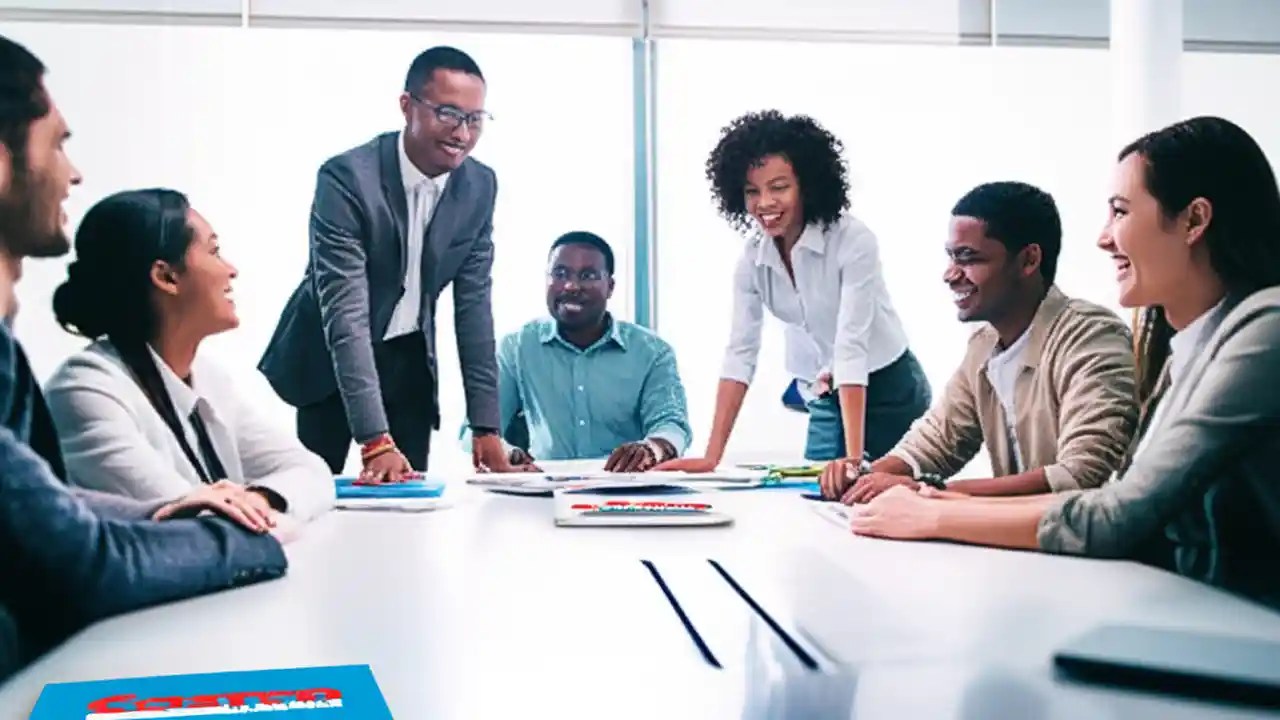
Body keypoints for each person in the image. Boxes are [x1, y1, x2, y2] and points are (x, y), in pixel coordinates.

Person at [850, 116, 1280, 609]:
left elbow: (1115, 510)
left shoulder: (1264, 330)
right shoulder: (1185, 350)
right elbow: (938, 438)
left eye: (1120, 212)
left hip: (1238, 629)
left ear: (1194, 220)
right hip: (1185, 609)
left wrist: (933, 511)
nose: (1103, 238)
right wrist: (911, 490)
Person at [0, 34, 288, 680]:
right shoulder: (86, 385)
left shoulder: (8, 355)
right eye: (57, 144)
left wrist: (171, 513)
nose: (74, 173)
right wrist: (247, 536)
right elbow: (83, 563)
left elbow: (47, 507)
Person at [258, 45, 518, 483]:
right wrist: (375, 441)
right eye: (448, 114)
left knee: (406, 498)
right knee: (316, 490)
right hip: (330, 357)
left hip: (409, 357)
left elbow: (474, 307)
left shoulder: (480, 185)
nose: (462, 133)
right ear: (407, 106)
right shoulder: (347, 178)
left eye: (475, 119)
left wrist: (486, 427)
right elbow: (346, 313)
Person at [655, 110, 931, 480]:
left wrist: (853, 462)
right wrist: (711, 457)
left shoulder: (852, 240)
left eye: (779, 187)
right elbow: (740, 353)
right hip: (825, 392)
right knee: (816, 489)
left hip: (890, 388)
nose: (764, 203)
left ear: (807, 185)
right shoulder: (753, 259)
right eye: (752, 191)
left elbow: (851, 348)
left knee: (875, 494)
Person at [836, 182, 1138, 503]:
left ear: (1028, 260)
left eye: (968, 258)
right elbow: (936, 441)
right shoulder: (985, 344)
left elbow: (1080, 475)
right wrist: (863, 478)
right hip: (1027, 530)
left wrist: (927, 491)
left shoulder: (1092, 338)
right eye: (951, 257)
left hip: (1086, 534)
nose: (950, 275)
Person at [44, 189, 335, 521]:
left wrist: (260, 500)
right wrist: (246, 512)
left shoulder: (208, 378)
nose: (231, 270)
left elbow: (312, 472)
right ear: (166, 277)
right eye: (214, 251)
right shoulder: (86, 392)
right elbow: (190, 520)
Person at [460, 232, 691, 471]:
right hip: (542, 485)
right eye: (560, 274)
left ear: (610, 287)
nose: (571, 286)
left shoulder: (652, 353)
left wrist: (652, 449)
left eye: (587, 276)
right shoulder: (517, 348)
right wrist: (506, 454)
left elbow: (673, 425)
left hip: (627, 486)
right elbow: (474, 431)